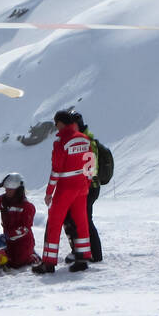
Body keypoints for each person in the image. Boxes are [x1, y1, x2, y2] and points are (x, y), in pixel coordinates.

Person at [36, 110, 94, 274]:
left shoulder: (61, 142)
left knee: (54, 224)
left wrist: (49, 192)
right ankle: (83, 258)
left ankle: (48, 262)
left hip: (65, 188)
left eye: (56, 123)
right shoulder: (84, 139)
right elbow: (90, 164)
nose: (55, 126)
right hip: (81, 187)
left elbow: (56, 170)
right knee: (82, 223)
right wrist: (86, 183)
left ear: (61, 123)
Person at [65, 111, 104, 264]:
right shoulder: (81, 139)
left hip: (88, 188)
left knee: (83, 219)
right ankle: (83, 251)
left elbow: (89, 167)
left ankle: (91, 254)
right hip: (86, 187)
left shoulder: (86, 141)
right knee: (79, 219)